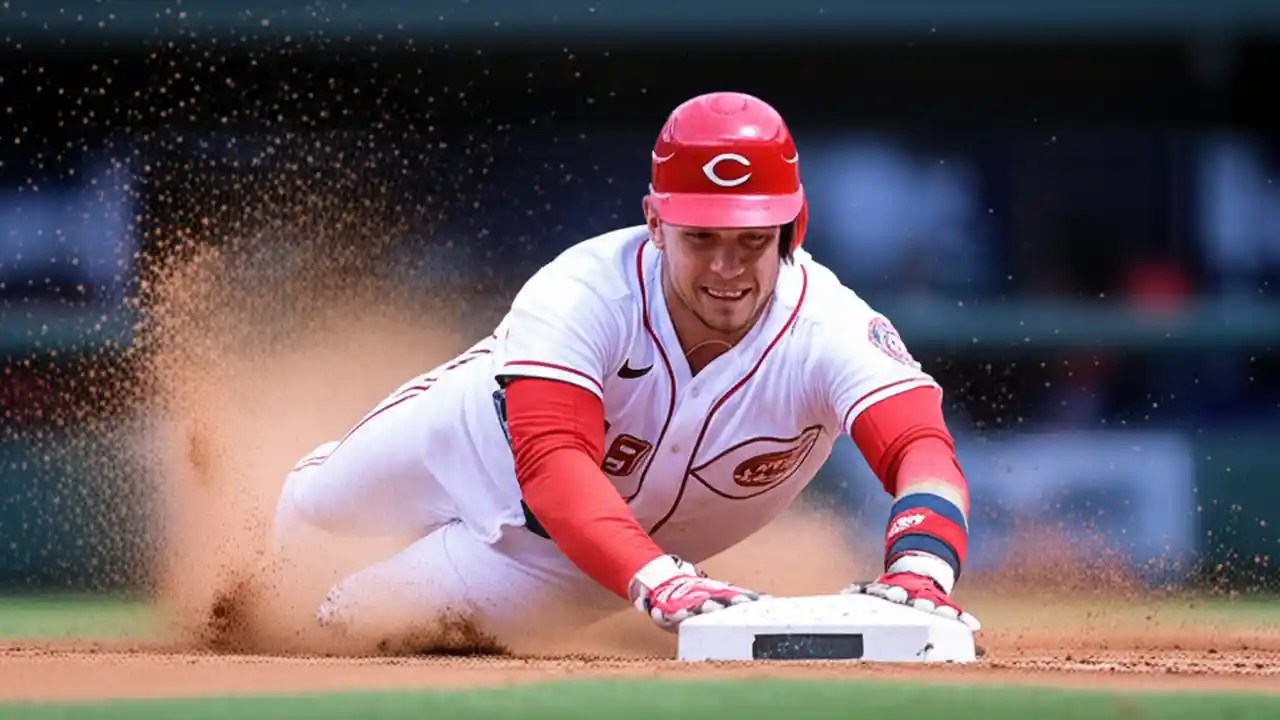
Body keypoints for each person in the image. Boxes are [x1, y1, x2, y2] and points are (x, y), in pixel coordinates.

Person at [270, 91, 979, 653]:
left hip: (566, 568)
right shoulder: (583, 289)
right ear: (654, 221)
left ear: (792, 228)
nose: (727, 268)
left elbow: (921, 448)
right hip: (464, 437)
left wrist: (922, 564)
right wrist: (659, 579)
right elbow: (551, 462)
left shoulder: (829, 326)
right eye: (701, 237)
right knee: (312, 511)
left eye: (751, 240)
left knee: (343, 625)